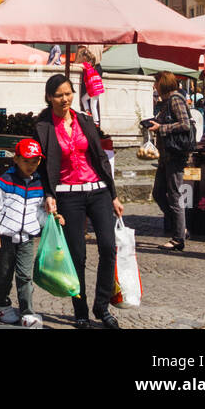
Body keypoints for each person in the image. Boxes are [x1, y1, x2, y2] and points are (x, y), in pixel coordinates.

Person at [35, 73, 124, 329]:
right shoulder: (43, 126)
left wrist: (114, 195)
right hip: (67, 194)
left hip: (97, 191)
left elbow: (100, 158)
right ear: (49, 97)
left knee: (108, 247)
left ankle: (102, 306)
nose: (65, 99)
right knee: (77, 256)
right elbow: (43, 167)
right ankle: (81, 310)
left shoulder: (84, 120)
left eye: (68, 93)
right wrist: (48, 195)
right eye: (59, 95)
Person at [0, 137, 58, 327]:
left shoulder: (40, 184)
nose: (31, 165)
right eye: (26, 161)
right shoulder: (5, 181)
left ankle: (28, 312)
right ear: (15, 159)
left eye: (35, 161)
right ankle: (2, 304)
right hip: (6, 237)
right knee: (5, 273)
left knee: (25, 276)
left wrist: (51, 219)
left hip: (26, 238)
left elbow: (39, 212)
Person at [148, 71, 193, 251]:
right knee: (158, 193)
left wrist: (162, 128)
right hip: (165, 155)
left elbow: (185, 124)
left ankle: (177, 238)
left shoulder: (175, 99)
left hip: (175, 155)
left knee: (174, 196)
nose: (154, 86)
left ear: (163, 83)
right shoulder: (166, 102)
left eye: (156, 83)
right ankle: (180, 228)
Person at [76, 45, 104, 127]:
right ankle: (95, 121)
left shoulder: (85, 65)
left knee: (92, 104)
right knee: (92, 102)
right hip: (97, 85)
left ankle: (94, 122)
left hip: (93, 88)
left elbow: (82, 48)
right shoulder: (92, 66)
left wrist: (74, 62)